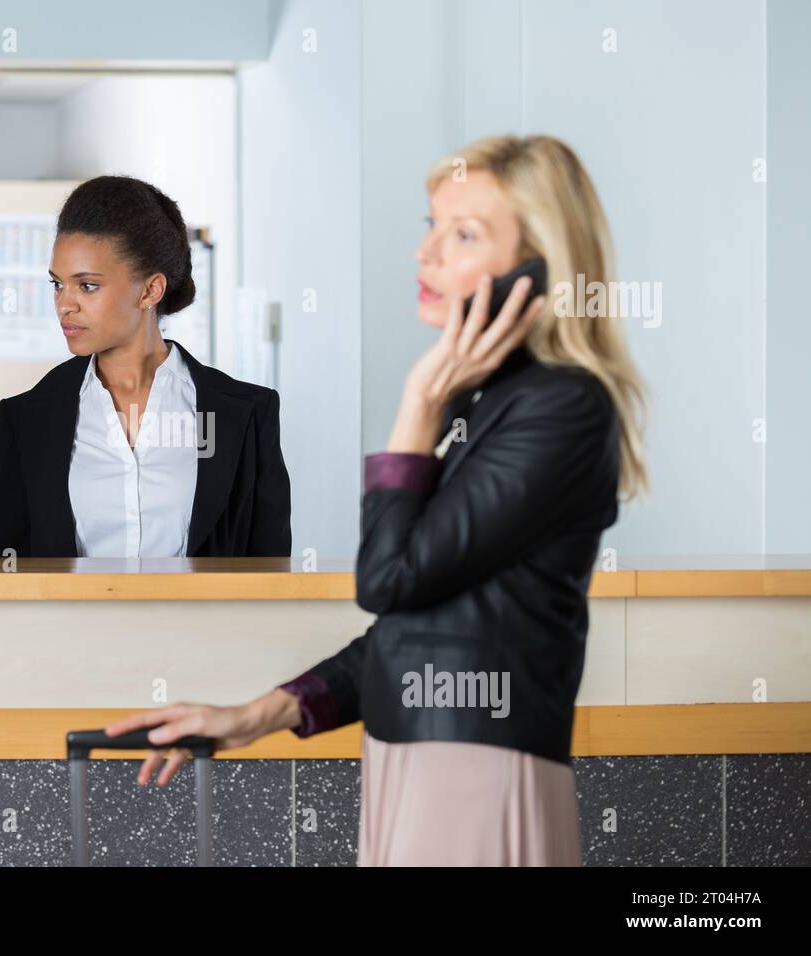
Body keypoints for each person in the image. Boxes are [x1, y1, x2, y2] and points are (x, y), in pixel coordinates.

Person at [105, 135, 650, 866]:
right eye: (432, 227)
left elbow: (388, 580)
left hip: (473, 770)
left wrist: (419, 406)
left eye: (463, 235)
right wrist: (257, 715)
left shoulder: (561, 407)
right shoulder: (500, 404)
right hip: (420, 758)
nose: (426, 255)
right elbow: (422, 626)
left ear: (538, 268)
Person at [0, 175, 291, 559]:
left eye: (88, 286)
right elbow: (6, 578)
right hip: (70, 621)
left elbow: (269, 574)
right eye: (57, 284)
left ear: (150, 291)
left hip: (201, 621)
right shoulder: (25, 419)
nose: (65, 304)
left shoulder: (245, 414)